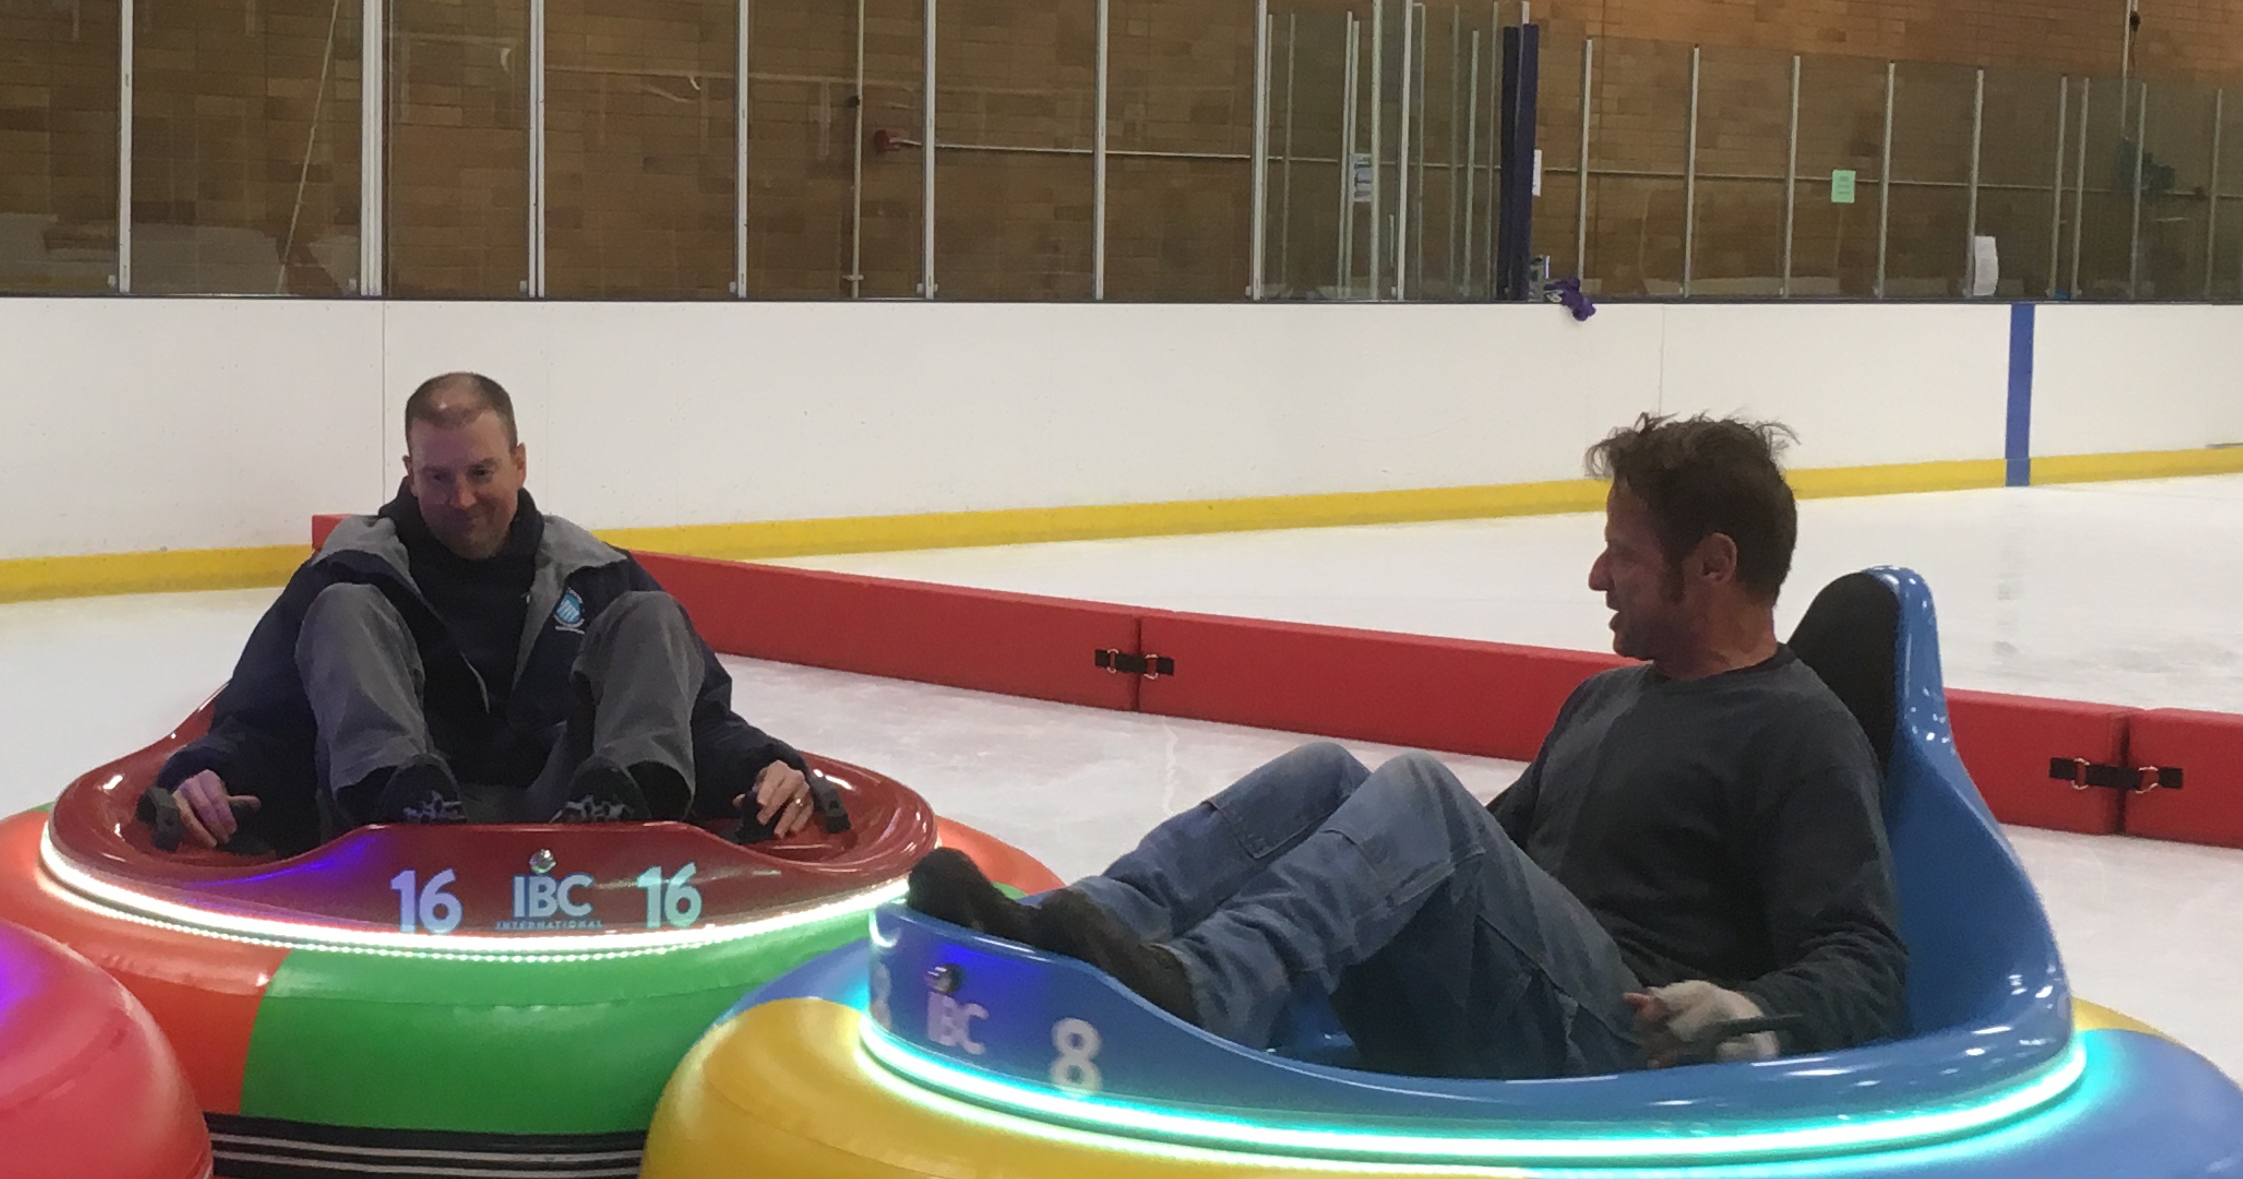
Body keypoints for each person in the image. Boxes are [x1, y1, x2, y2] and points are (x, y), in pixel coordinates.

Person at [908, 414, 1905, 1079]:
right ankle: (1086, 929)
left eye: (1627, 555)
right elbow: (1479, 861)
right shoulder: (1607, 700)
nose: (1599, 574)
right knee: (1327, 778)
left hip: (1610, 1047)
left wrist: (1745, 1010)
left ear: (1715, 564)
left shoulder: (1796, 730)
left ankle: (1204, 995)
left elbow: (1866, 959)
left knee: (1419, 793)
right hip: (1513, 997)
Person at [156, 372, 828, 853]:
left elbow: (696, 716)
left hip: (570, 815)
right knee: (345, 612)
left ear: (519, 463)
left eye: (481, 473)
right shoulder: (349, 568)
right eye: (438, 478)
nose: (462, 499)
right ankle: (402, 806)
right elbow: (263, 713)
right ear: (408, 471)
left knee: (649, 615)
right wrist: (209, 774)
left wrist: (761, 768)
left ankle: (634, 814)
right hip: (393, 839)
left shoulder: (594, 572)